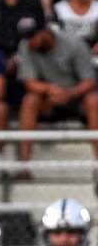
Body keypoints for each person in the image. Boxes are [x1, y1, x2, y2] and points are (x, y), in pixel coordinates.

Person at [16, 24, 98, 166]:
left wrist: (68, 93)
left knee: (94, 100)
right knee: (29, 100)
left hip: (77, 97)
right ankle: (24, 165)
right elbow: (29, 82)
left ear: (45, 31)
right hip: (48, 98)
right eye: (27, 38)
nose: (31, 42)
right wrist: (49, 89)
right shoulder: (25, 45)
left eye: (33, 36)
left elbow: (89, 81)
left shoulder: (74, 44)